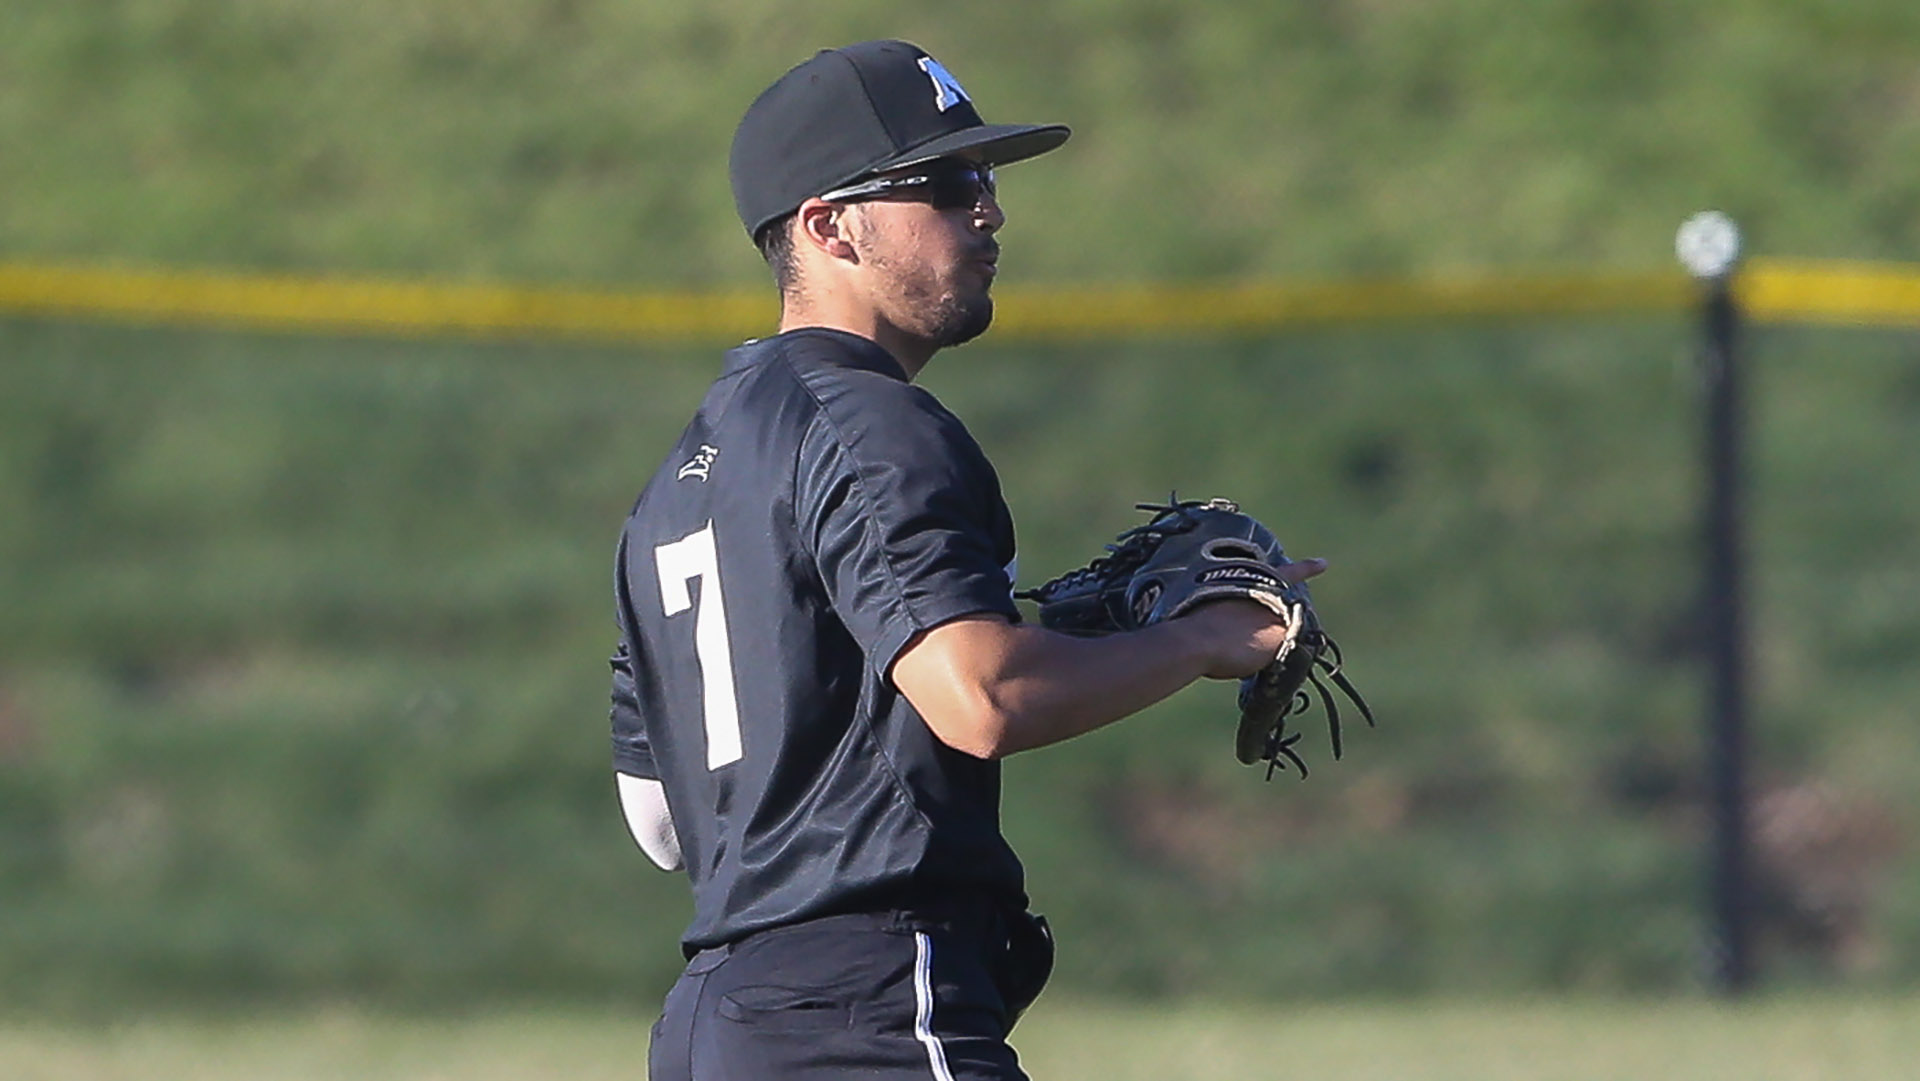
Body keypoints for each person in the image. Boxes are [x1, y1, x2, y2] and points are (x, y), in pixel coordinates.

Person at [608, 39, 1326, 1081]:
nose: (987, 211)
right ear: (827, 225)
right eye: (944, 185)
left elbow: (663, 821)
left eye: (984, 180)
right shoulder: (873, 423)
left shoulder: (673, 481)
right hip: (870, 1014)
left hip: (716, 1029)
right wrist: (1204, 637)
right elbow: (977, 699)